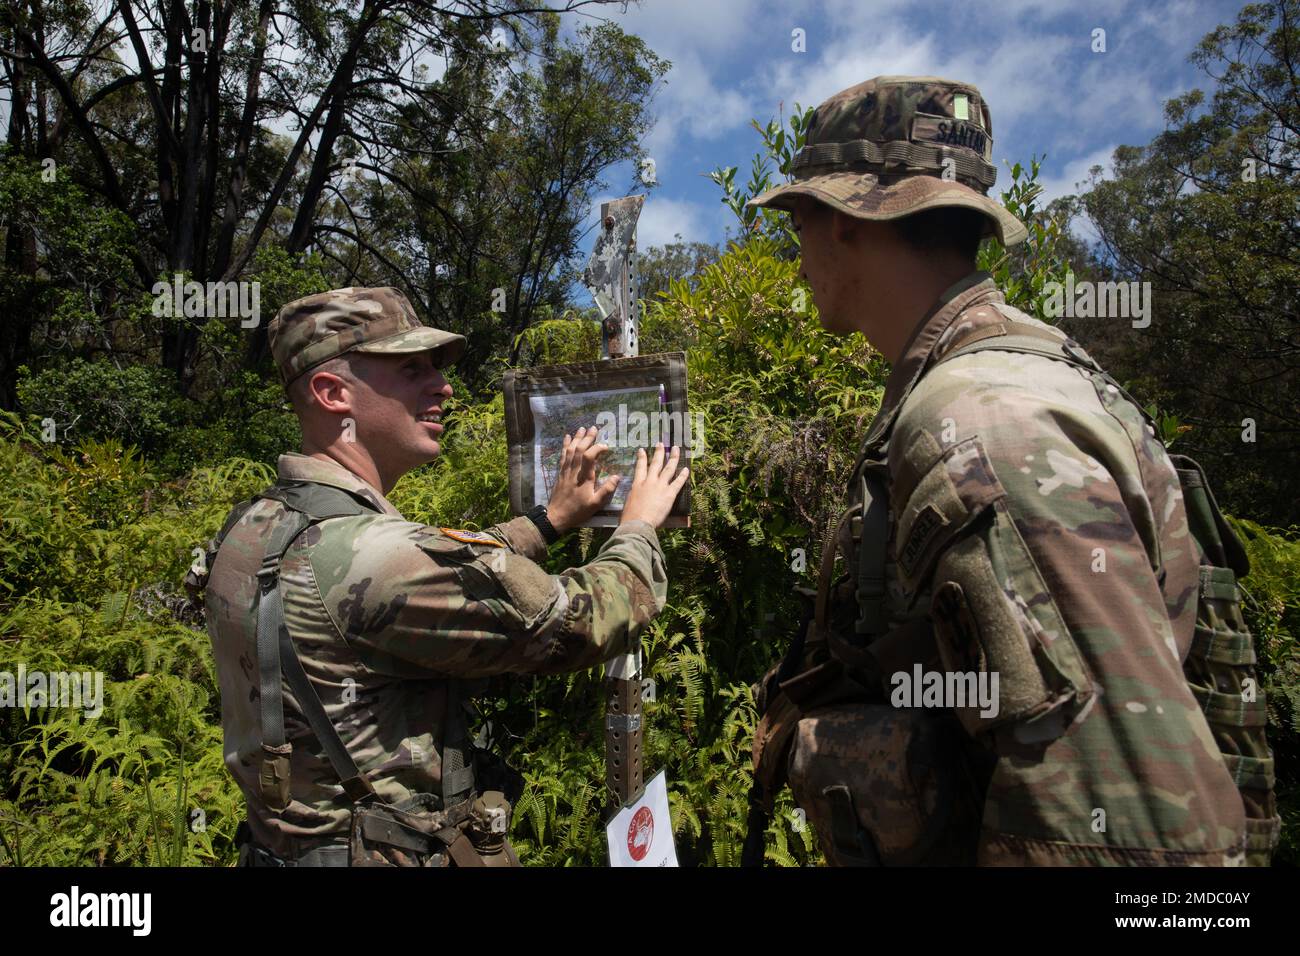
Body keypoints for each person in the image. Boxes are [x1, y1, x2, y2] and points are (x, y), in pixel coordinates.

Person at [744, 77, 1253, 866]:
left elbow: (1135, 835)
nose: (796, 248)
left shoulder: (981, 424)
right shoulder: (1003, 373)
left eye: (799, 217)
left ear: (847, 218)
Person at [194, 286, 688, 866]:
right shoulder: (374, 555)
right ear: (333, 394)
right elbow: (579, 622)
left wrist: (547, 520)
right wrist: (638, 526)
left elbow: (442, 573)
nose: (443, 386)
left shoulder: (259, 524)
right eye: (412, 370)